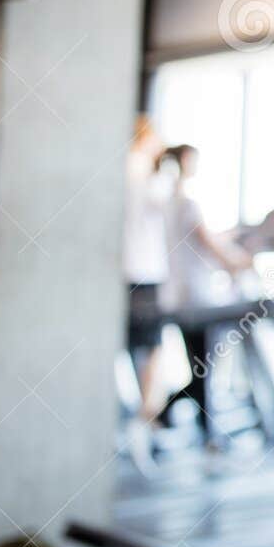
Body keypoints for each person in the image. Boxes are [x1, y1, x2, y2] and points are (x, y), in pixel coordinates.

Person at [159, 144, 252, 454]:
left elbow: (203, 241)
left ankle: (196, 425)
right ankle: (180, 418)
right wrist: (237, 262)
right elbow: (207, 244)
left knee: (199, 364)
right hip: (195, 295)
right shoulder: (187, 204)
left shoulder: (169, 202)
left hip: (178, 291)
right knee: (202, 365)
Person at [122, 115, 171, 471]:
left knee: (137, 347)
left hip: (126, 271)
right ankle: (146, 417)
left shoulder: (123, 169)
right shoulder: (145, 173)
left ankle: (144, 417)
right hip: (143, 271)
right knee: (151, 347)